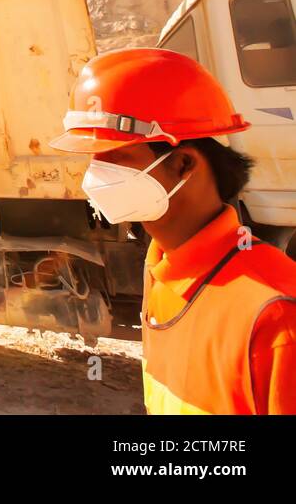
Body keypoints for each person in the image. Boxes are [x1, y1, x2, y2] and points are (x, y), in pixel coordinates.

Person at [52, 48, 296, 414]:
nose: (94, 175)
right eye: (93, 157)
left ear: (183, 164)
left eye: (115, 156)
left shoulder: (276, 316)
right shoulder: (160, 269)